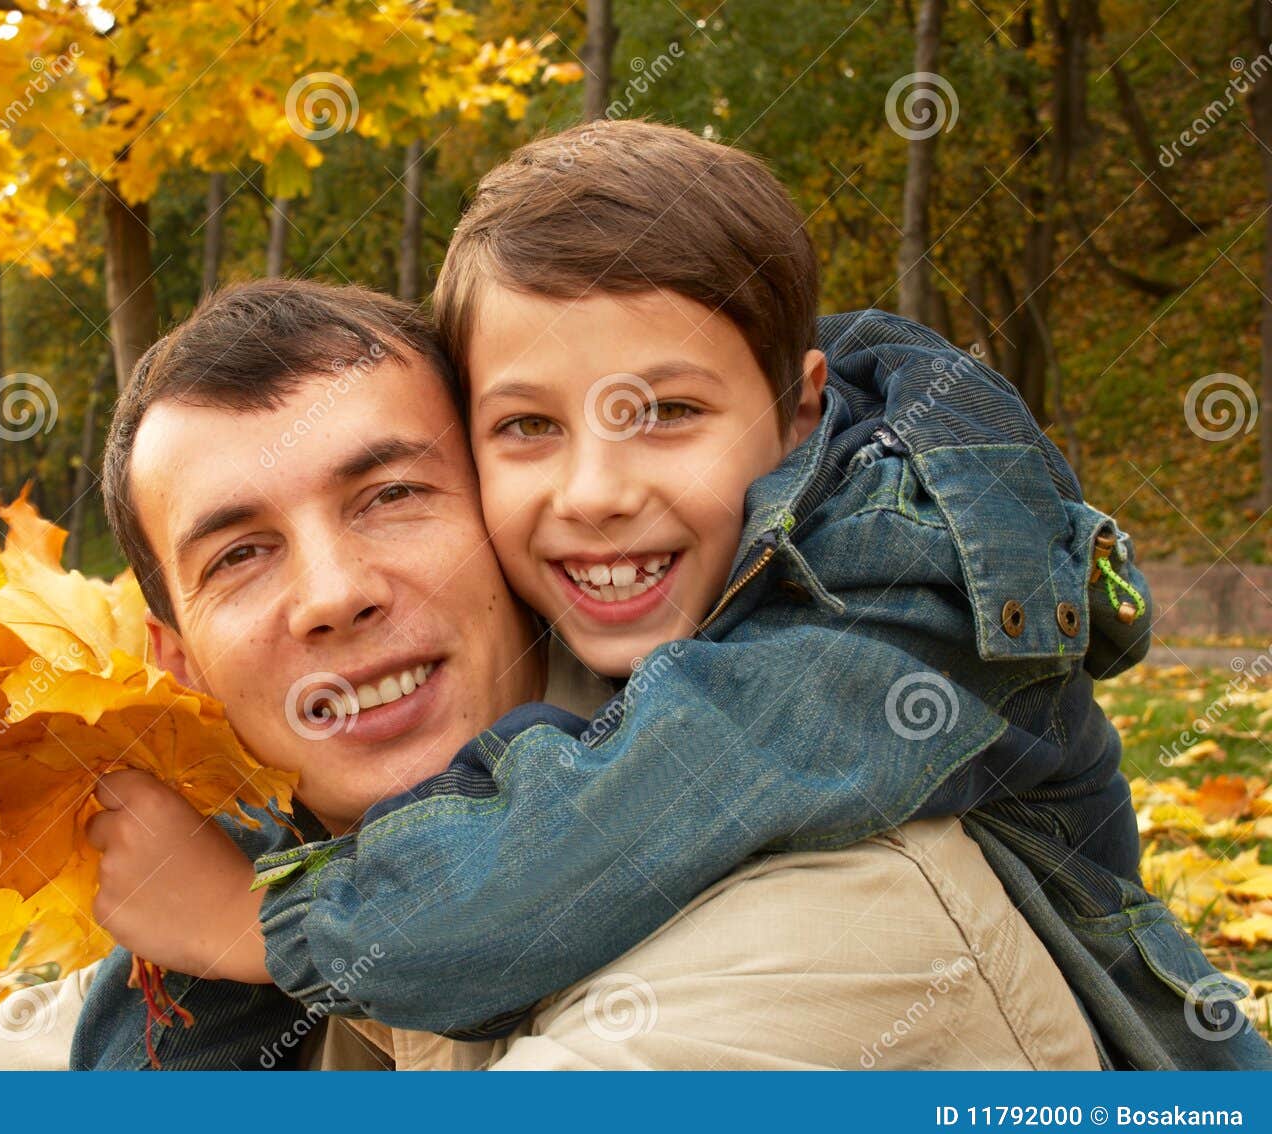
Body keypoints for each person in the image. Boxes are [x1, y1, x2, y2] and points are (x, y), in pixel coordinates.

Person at [81, 122, 1270, 1070]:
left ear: (798, 416)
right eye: (527, 427)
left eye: (388, 495)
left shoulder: (875, 631)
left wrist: (254, 927)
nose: (594, 492)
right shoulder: (501, 747)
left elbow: (648, 800)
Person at [0, 281, 1098, 1070]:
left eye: (393, 495)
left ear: (515, 519)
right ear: (179, 663)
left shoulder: (825, 901)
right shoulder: (283, 883)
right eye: (242, 553)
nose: (333, 594)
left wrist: (252, 928)